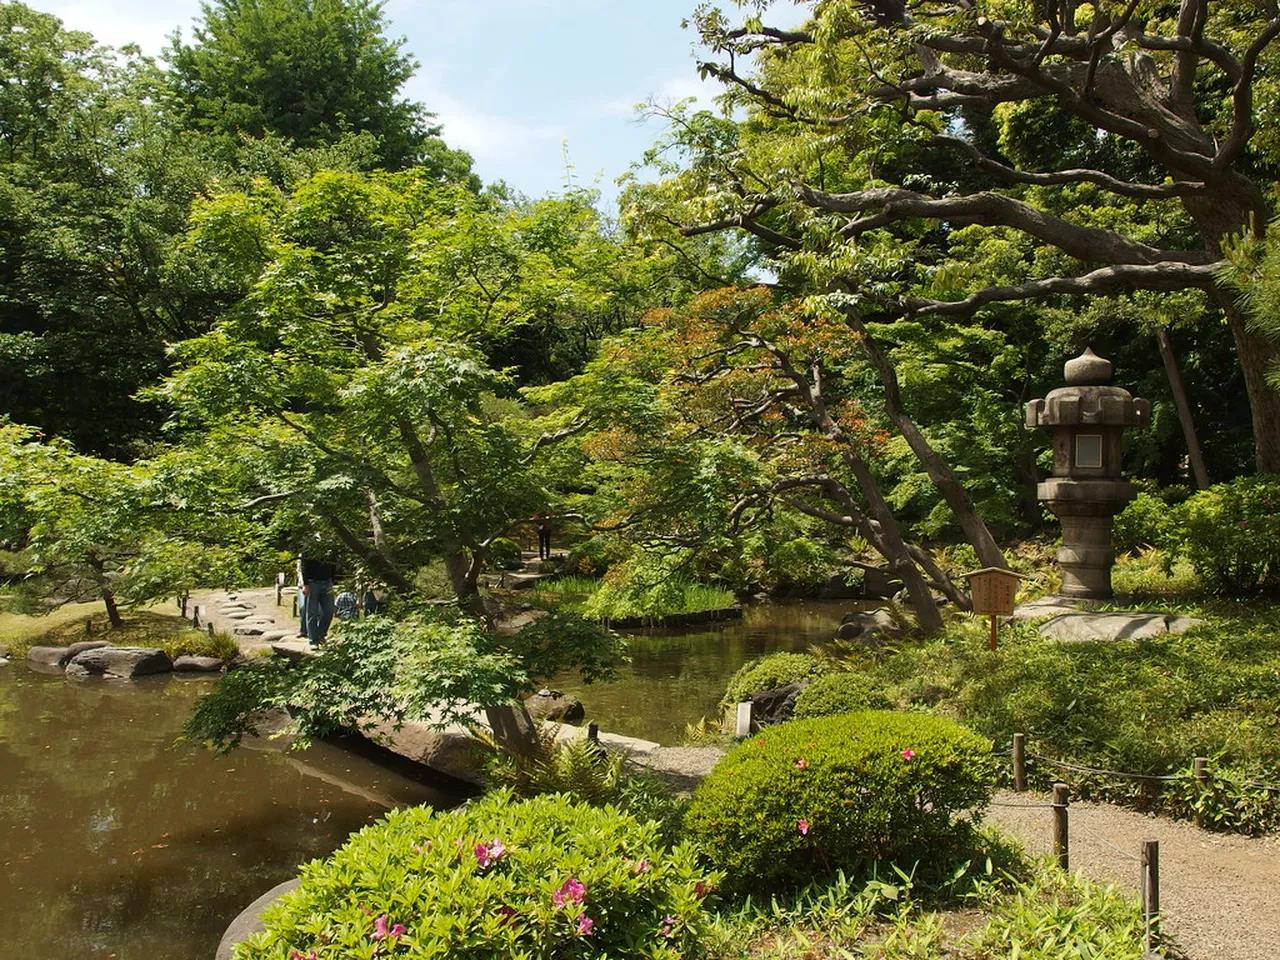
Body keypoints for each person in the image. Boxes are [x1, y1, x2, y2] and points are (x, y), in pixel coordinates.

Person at [300, 550, 338, 646]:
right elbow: (304, 566)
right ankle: (313, 640)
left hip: (327, 582)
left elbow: (334, 563)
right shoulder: (308, 548)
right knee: (312, 612)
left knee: (329, 611)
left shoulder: (331, 547)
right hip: (312, 582)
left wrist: (332, 580)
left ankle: (321, 634)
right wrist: (305, 584)